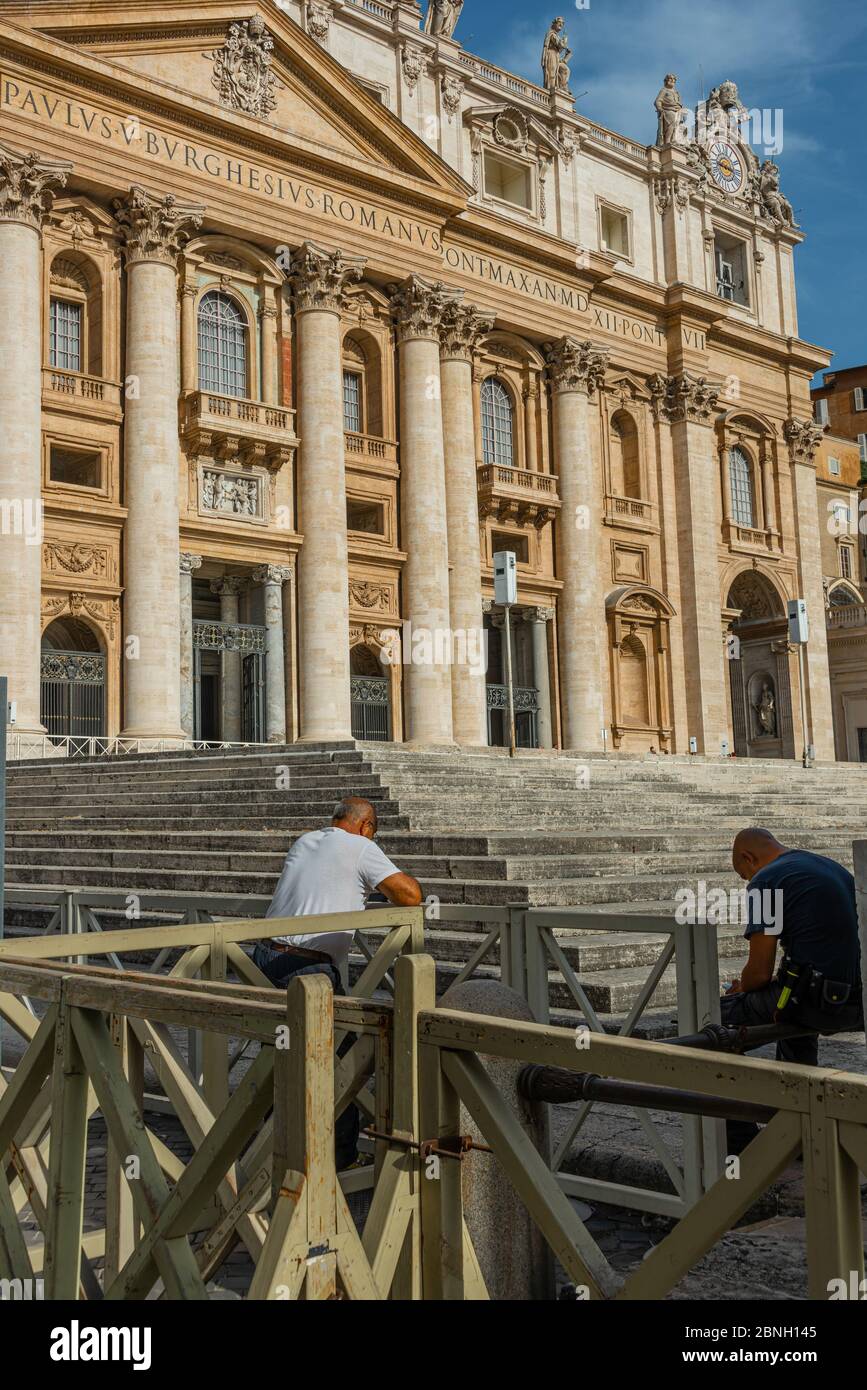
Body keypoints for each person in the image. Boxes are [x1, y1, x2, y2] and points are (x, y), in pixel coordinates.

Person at [721, 828, 864, 1151]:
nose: (748, 882)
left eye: (744, 875)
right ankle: (798, 1136)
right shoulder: (828, 866)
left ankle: (743, 1146)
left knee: (711, 1019)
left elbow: (758, 972)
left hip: (816, 1001)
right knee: (790, 1019)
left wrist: (740, 988)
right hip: (857, 999)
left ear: (748, 858)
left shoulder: (766, 880)